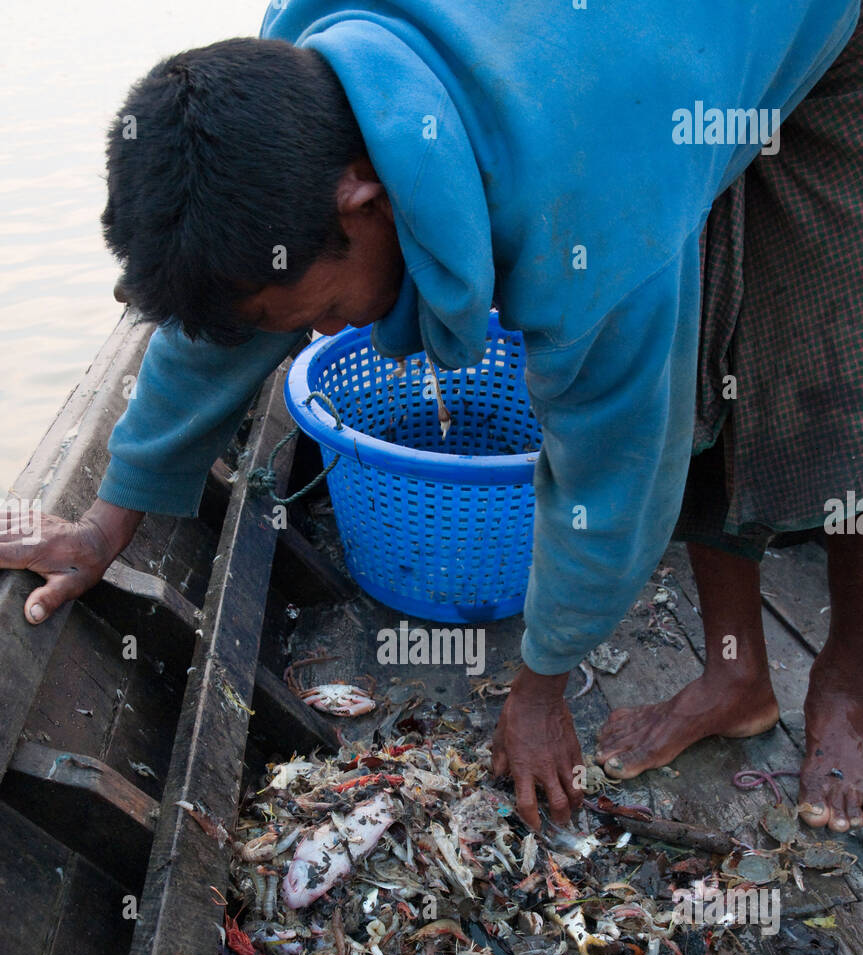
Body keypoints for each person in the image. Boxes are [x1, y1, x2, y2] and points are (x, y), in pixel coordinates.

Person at [1, 1, 859, 834]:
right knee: (696, 339)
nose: (309, 336)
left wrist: (540, 688)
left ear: (364, 204)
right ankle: (737, 681)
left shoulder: (584, 220)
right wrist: (104, 525)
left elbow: (620, 463)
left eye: (311, 314)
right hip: (643, 62)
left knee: (827, 375)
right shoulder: (296, 60)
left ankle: (849, 679)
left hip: (799, 30)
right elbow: (222, 322)